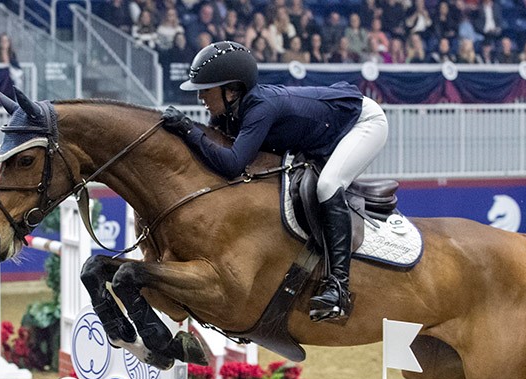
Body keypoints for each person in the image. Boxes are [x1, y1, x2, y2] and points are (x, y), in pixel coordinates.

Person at [160, 41, 389, 322]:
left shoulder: (260, 109)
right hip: (322, 130)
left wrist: (186, 129)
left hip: (362, 123)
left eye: (206, 90)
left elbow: (231, 165)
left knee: (328, 185)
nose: (200, 98)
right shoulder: (230, 112)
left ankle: (338, 287)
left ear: (231, 90)